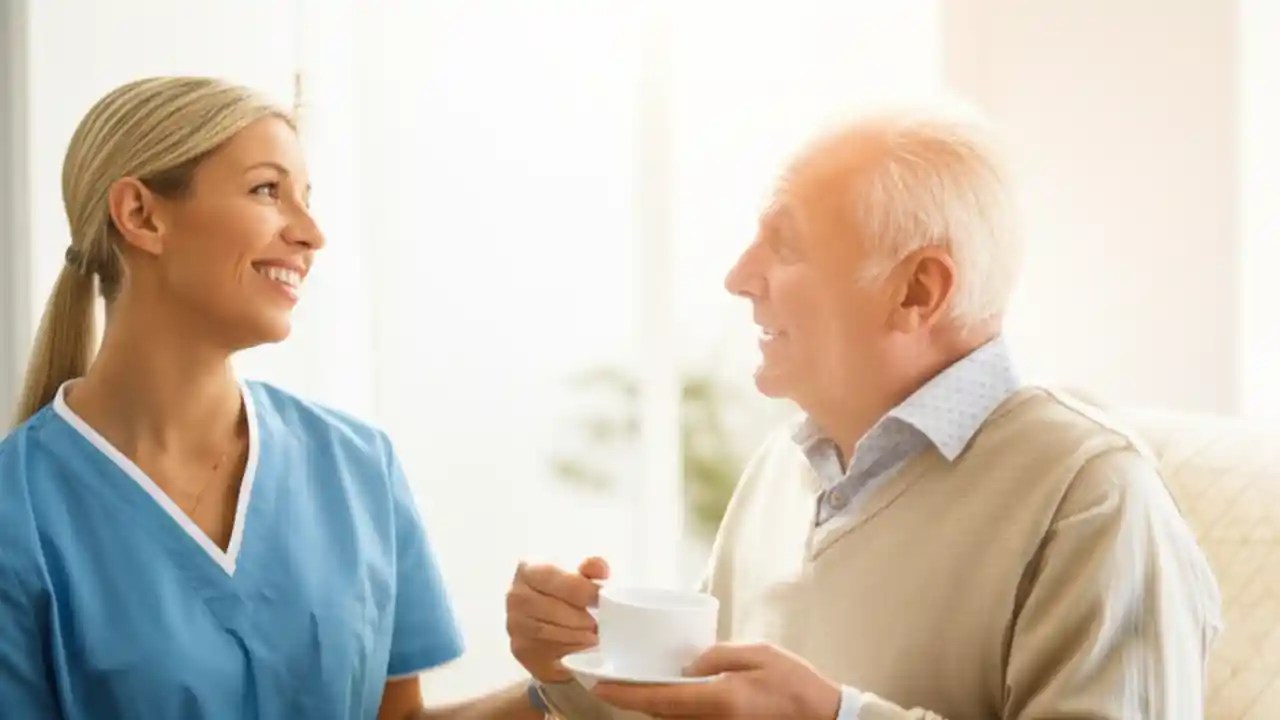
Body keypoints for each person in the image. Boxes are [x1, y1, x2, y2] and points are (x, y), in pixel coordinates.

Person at [505, 107, 1223, 719]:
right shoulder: (780, 472)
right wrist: (569, 669)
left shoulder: (1094, 494)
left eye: (786, 246)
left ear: (918, 291)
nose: (738, 277)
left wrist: (835, 717)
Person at [0, 77, 547, 720]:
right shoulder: (19, 514)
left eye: (307, 200)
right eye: (267, 190)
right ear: (142, 215)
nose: (312, 233)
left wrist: (568, 691)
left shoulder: (356, 466)